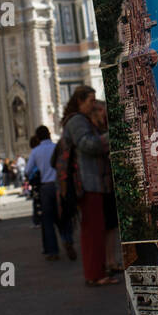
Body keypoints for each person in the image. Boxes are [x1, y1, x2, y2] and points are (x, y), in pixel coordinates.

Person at [61, 87, 115, 286]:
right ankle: (94, 274)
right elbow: (87, 144)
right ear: (80, 101)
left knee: (96, 228)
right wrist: (113, 136)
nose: (94, 104)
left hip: (94, 182)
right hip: (87, 182)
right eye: (91, 100)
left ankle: (98, 272)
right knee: (92, 230)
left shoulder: (83, 120)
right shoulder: (77, 121)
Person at [27, 125, 73, 261]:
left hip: (46, 187)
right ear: (49, 134)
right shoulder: (56, 147)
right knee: (64, 214)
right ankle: (67, 239)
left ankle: (53, 251)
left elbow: (27, 170)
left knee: (48, 220)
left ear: (38, 137)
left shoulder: (35, 151)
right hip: (60, 185)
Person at [90, 100, 123, 276]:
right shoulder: (96, 133)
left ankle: (111, 260)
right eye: (101, 111)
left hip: (107, 182)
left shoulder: (100, 130)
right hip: (101, 183)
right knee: (106, 225)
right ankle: (107, 261)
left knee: (111, 226)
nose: (104, 114)